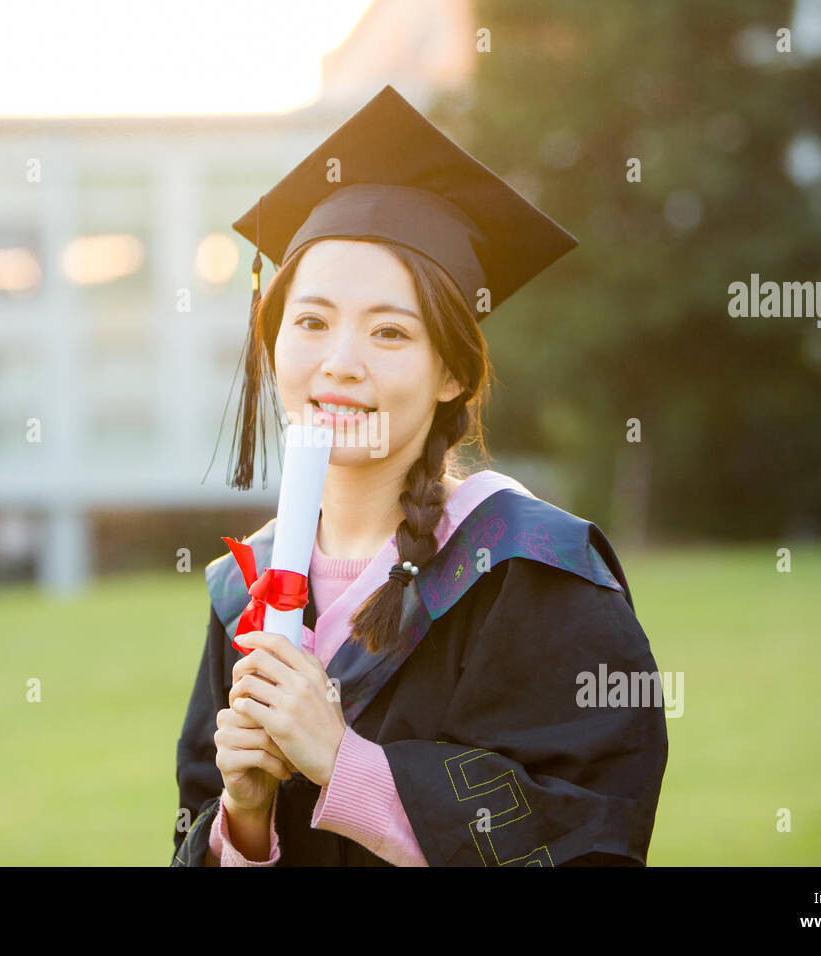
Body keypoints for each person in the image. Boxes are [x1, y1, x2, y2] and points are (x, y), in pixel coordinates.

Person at [172, 85, 668, 866]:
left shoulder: (532, 569)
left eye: (390, 332)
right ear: (272, 349)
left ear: (451, 375)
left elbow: (591, 837)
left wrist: (343, 763)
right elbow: (194, 813)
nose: (339, 364)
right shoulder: (247, 590)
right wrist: (245, 818)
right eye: (311, 322)